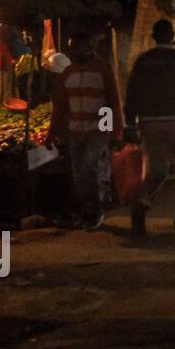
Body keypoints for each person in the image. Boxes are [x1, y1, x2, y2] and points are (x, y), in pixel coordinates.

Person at [124, 18, 175, 238]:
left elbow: (132, 94)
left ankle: (141, 203)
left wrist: (130, 123)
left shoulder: (142, 62)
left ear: (153, 37)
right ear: (174, 37)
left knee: (157, 169)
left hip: (150, 123)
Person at [50, 33, 122, 229]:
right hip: (75, 133)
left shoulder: (102, 70)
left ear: (88, 47)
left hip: (96, 132)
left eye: (76, 47)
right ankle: (88, 211)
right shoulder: (68, 73)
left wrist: (112, 132)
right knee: (79, 174)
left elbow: (112, 102)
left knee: (87, 170)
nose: (73, 51)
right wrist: (53, 132)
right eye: (71, 47)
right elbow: (61, 106)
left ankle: (94, 210)